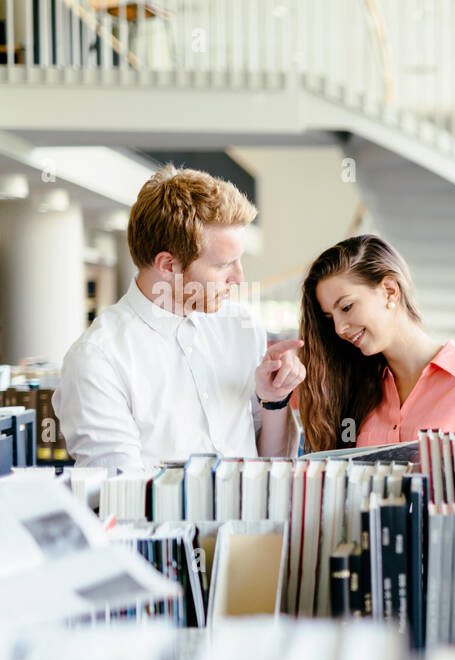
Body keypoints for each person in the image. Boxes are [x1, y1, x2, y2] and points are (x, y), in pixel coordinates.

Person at [53, 165, 303, 470]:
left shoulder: (242, 327)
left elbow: (272, 467)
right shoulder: (98, 359)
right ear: (168, 265)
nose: (239, 278)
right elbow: (121, 495)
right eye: (225, 265)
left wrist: (274, 399)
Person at [297, 234, 455, 452]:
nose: (338, 328)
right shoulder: (356, 387)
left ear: (390, 291)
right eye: (330, 318)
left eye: (346, 307)